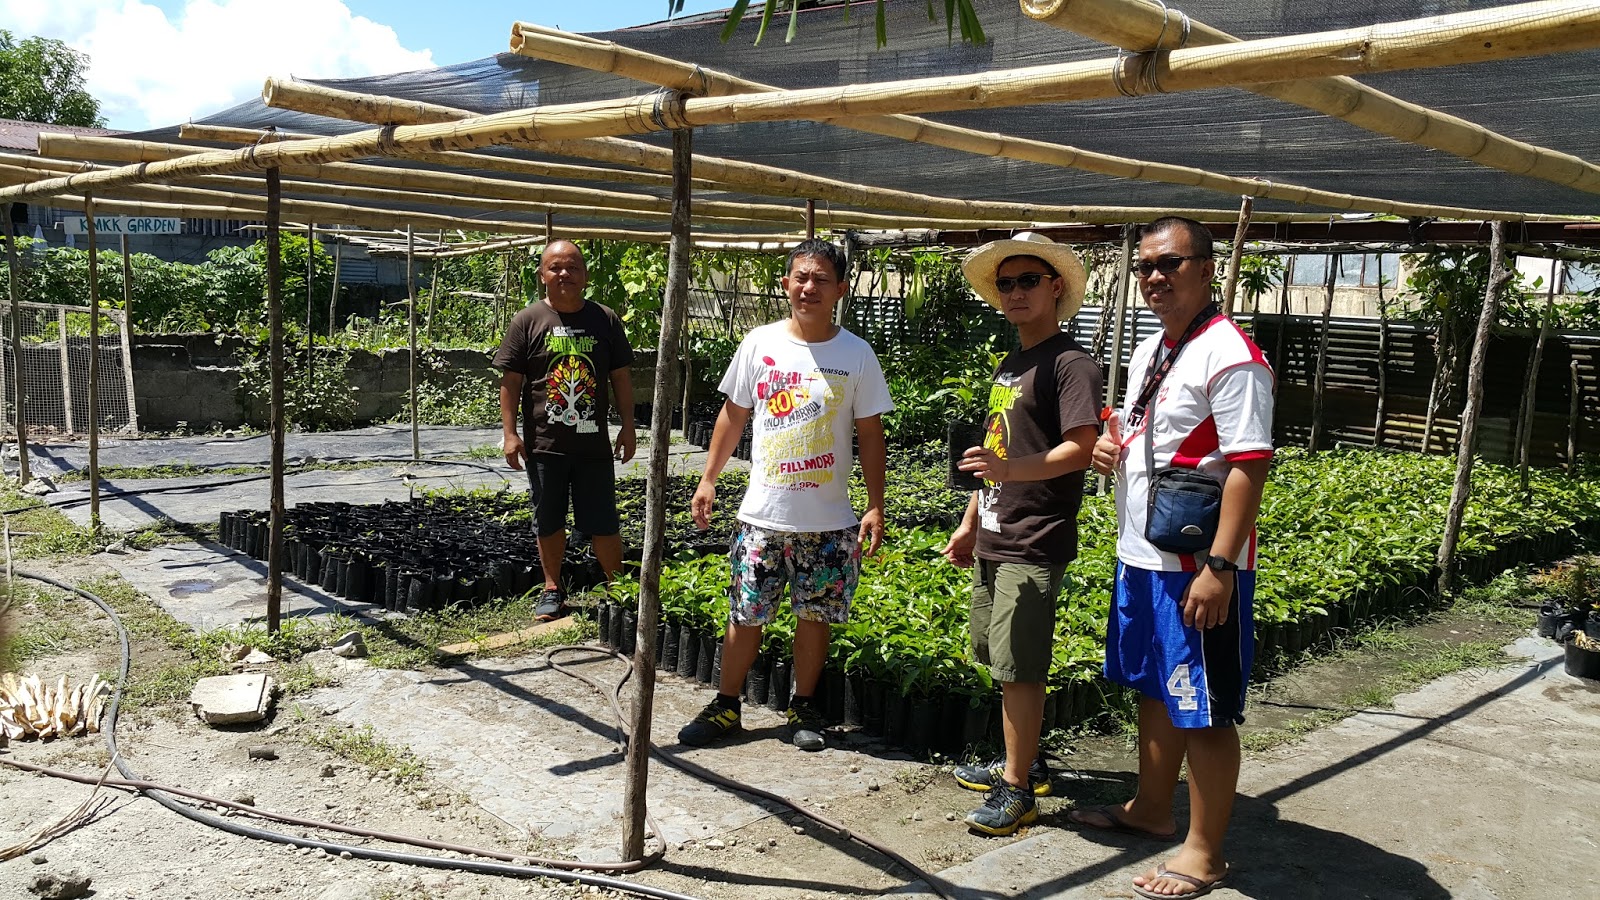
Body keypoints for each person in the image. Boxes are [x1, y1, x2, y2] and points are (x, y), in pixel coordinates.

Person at [1084, 217, 1273, 900]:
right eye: (1144, 267)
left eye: (1169, 263)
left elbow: (1249, 468)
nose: (1154, 278)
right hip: (1142, 557)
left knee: (1206, 708)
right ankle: (1153, 809)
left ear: (1206, 268)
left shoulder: (1232, 356)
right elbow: (1142, 436)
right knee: (1156, 690)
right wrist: (1112, 449)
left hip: (1196, 567)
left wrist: (1221, 568)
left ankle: (1205, 853)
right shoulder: (1152, 350)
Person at [677, 238, 893, 752]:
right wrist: (709, 477)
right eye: (800, 277)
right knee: (746, 611)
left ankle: (804, 706)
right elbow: (733, 417)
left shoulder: (856, 354)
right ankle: (727, 704)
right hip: (763, 514)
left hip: (829, 518)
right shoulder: (759, 344)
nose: (809, 287)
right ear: (785, 284)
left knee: (815, 614)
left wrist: (875, 503)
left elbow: (871, 435)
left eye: (821, 279)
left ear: (840, 288)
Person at [940, 232, 1104, 836]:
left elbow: (1082, 448)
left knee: (1020, 666)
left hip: (1036, 536)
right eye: (1006, 283)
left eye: (1028, 280)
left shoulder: (1071, 363)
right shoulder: (1011, 363)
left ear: (1055, 287)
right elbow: (997, 450)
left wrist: (1012, 473)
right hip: (995, 530)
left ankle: (1018, 789)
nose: (1015, 292)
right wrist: (968, 521)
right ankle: (1022, 761)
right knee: (994, 653)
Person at [494, 239, 636, 622]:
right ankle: (553, 588)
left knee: (604, 520)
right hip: (545, 445)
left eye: (572, 267)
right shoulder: (528, 320)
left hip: (593, 447)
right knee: (549, 519)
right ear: (542, 275)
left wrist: (628, 426)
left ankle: (617, 588)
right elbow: (512, 381)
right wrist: (510, 434)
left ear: (585, 275)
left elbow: (621, 377)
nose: (564, 274)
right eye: (555, 267)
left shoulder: (604, 319)